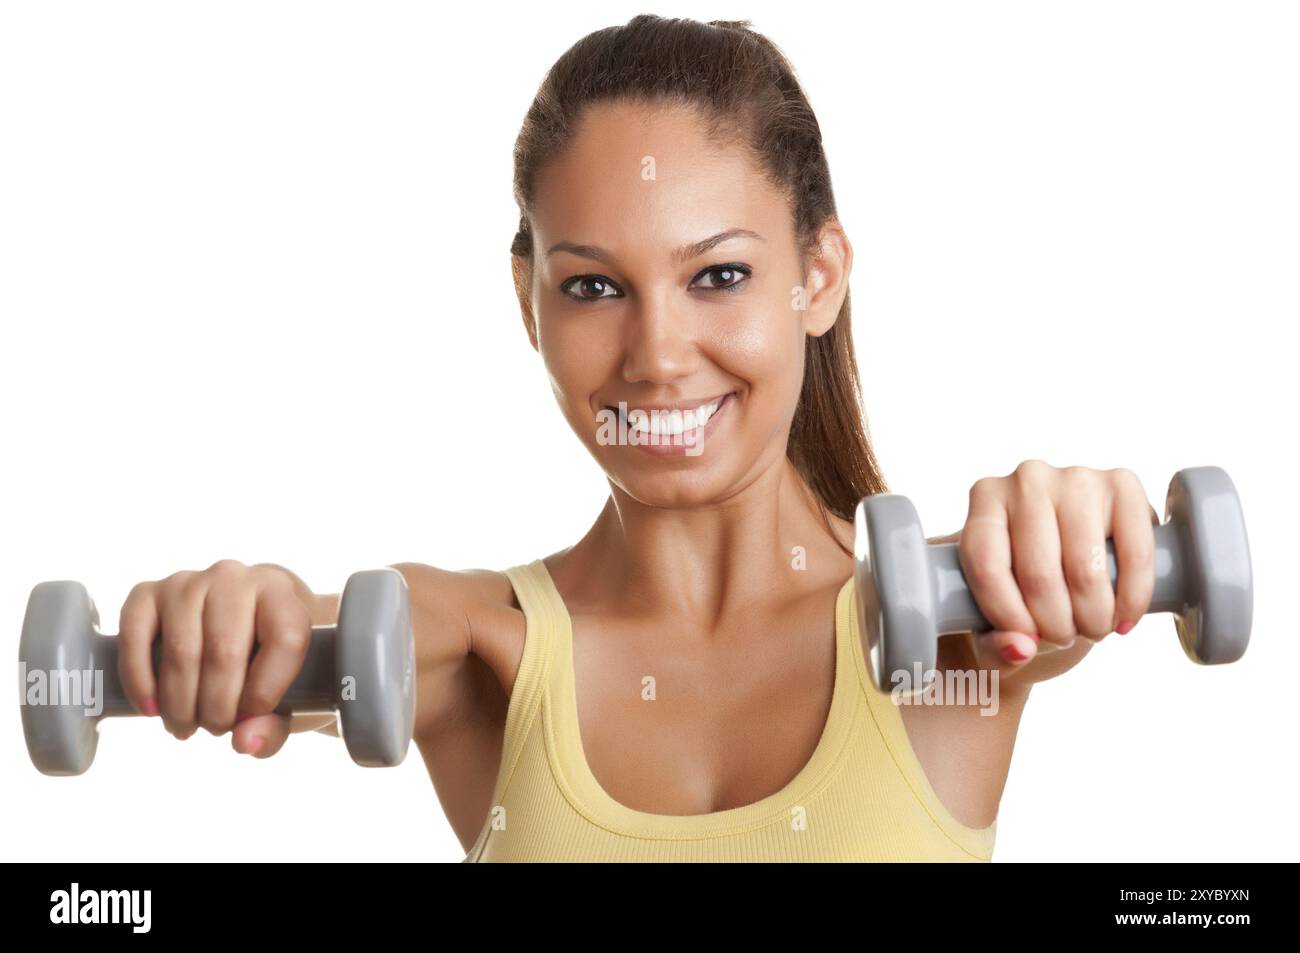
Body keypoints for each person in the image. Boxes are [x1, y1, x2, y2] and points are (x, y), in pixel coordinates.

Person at [115, 15, 1158, 862]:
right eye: (594, 286)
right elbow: (314, 631)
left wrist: (1074, 528)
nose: (657, 354)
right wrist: (227, 619)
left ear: (819, 276)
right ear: (528, 303)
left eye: (718, 275)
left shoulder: (956, 628)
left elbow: (1055, 590)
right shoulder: (478, 647)